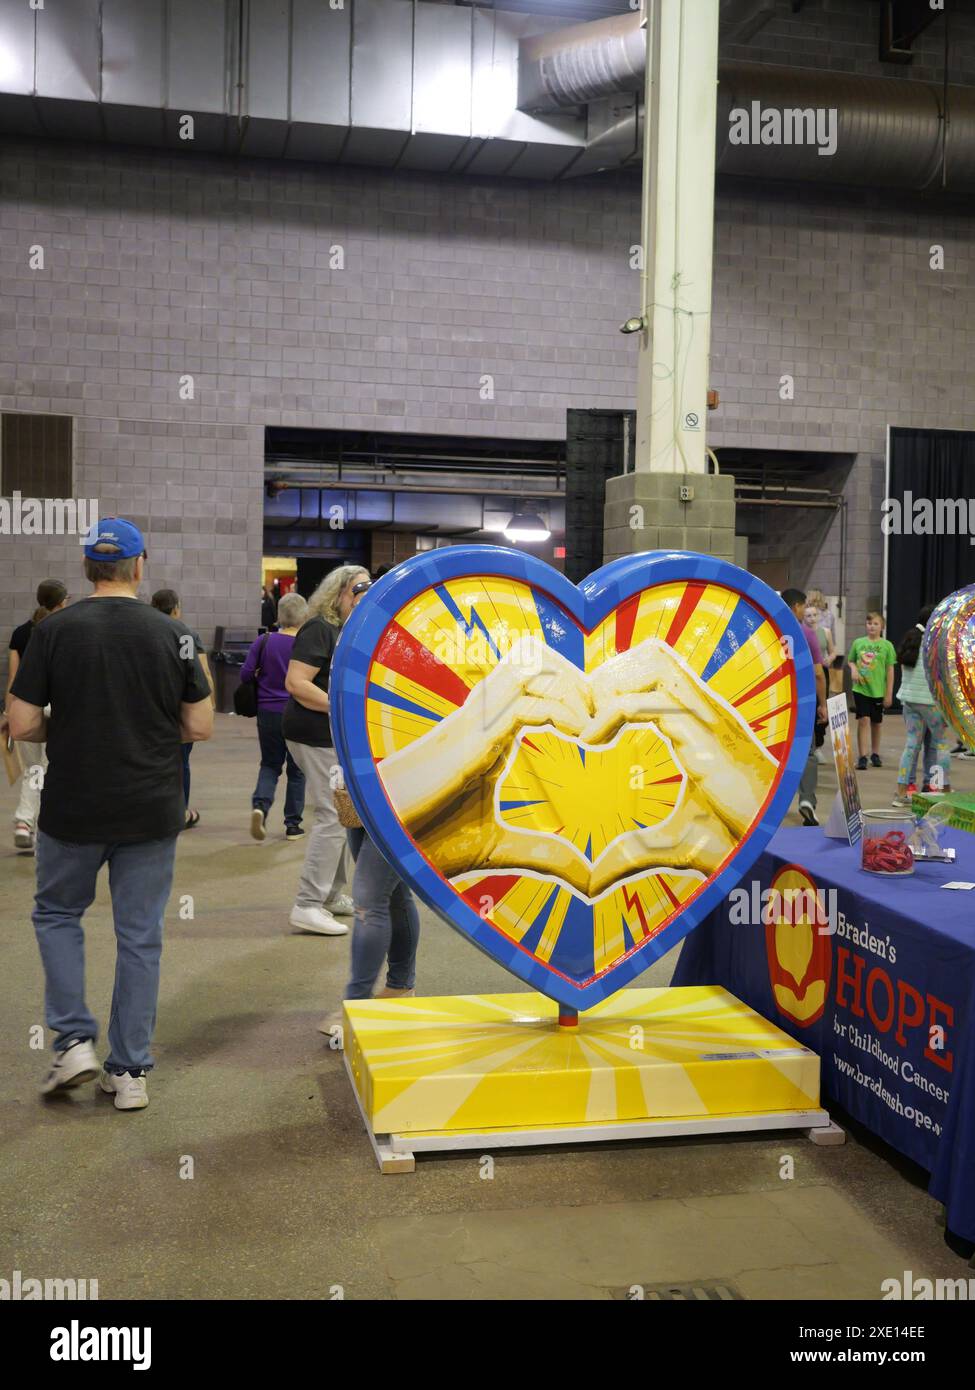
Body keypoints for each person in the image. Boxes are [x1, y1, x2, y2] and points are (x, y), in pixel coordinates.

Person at [3, 519, 213, 1109]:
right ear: (139, 566)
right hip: (151, 805)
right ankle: (130, 1073)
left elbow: (20, 724)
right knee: (140, 936)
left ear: (87, 568)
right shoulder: (174, 634)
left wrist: (68, 727)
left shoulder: (53, 631)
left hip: (73, 806)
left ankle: (72, 1042)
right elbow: (199, 725)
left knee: (58, 915)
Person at [283, 565, 371, 936]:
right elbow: (296, 682)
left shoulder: (347, 631)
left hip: (329, 734)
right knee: (332, 816)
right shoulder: (320, 628)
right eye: (357, 590)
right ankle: (307, 904)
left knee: (341, 815)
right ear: (339, 594)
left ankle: (332, 895)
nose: (363, 597)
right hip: (313, 734)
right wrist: (340, 706)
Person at [319, 824, 421, 1037]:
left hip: (397, 805)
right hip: (358, 802)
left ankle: (357, 1006)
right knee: (395, 892)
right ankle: (399, 988)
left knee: (369, 902)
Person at [240, 590, 308, 841]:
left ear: (279, 616)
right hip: (298, 713)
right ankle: (293, 825)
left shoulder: (264, 641)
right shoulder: (304, 645)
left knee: (269, 764)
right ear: (304, 616)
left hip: (267, 712)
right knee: (297, 769)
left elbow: (245, 675)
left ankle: (260, 807)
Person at [6, 579, 67, 852]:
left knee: (34, 770)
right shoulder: (64, 631)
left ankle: (26, 823)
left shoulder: (20, 633)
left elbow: (13, 679)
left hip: (25, 707)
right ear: (62, 602)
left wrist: (8, 713)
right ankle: (39, 824)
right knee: (50, 770)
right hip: (56, 708)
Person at [150, 590, 215, 829]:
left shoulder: (146, 631)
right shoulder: (186, 635)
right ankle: (179, 811)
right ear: (176, 609)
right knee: (182, 760)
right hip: (181, 705)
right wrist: (210, 703)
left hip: (152, 704)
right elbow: (201, 673)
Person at [892, 606, 951, 807]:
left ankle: (902, 791)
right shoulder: (936, 644)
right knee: (940, 743)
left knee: (911, 745)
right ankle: (941, 788)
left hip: (909, 702)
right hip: (931, 704)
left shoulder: (911, 639)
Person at [782, 589, 828, 827]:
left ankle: (771, 806)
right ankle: (807, 800)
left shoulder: (768, 631)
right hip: (802, 701)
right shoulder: (807, 634)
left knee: (777, 754)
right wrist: (823, 704)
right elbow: (818, 674)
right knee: (807, 752)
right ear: (797, 606)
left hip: (777, 703)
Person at [848, 611, 897, 771]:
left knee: (876, 723)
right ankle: (863, 756)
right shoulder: (858, 643)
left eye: (875, 624)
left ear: (882, 627)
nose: (872, 627)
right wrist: (854, 669)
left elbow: (890, 671)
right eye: (869, 623)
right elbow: (851, 661)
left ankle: (875, 753)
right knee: (863, 720)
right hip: (860, 689)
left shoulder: (887, 646)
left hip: (878, 691)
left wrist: (889, 693)